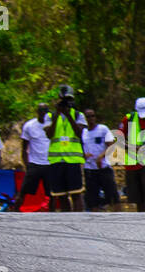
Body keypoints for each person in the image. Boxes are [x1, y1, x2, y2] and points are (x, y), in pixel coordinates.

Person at [43, 84, 87, 212]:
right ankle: (67, 219)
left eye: (69, 100)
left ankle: (79, 219)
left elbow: (79, 133)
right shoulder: (50, 116)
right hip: (57, 160)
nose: (67, 103)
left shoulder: (78, 115)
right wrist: (57, 114)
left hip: (73, 159)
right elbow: (49, 134)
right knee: (60, 195)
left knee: (76, 193)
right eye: (65, 100)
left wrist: (68, 115)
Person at [118, 97, 145, 211]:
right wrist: (133, 148)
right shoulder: (128, 119)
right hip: (132, 165)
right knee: (138, 199)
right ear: (136, 110)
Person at [14, 103, 52, 210]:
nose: (43, 113)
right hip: (34, 163)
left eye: (45, 110)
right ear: (37, 112)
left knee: (52, 193)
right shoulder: (29, 126)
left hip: (49, 163)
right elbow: (24, 148)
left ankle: (53, 215)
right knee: (23, 191)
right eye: (41, 110)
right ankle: (14, 211)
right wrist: (27, 164)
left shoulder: (52, 125)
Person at [81, 108, 118, 211]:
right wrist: (83, 155)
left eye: (93, 116)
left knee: (113, 196)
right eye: (88, 116)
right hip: (90, 169)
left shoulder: (102, 129)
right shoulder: (83, 132)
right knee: (93, 199)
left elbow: (111, 145)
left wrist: (101, 156)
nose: (91, 118)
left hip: (104, 167)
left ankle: (118, 216)